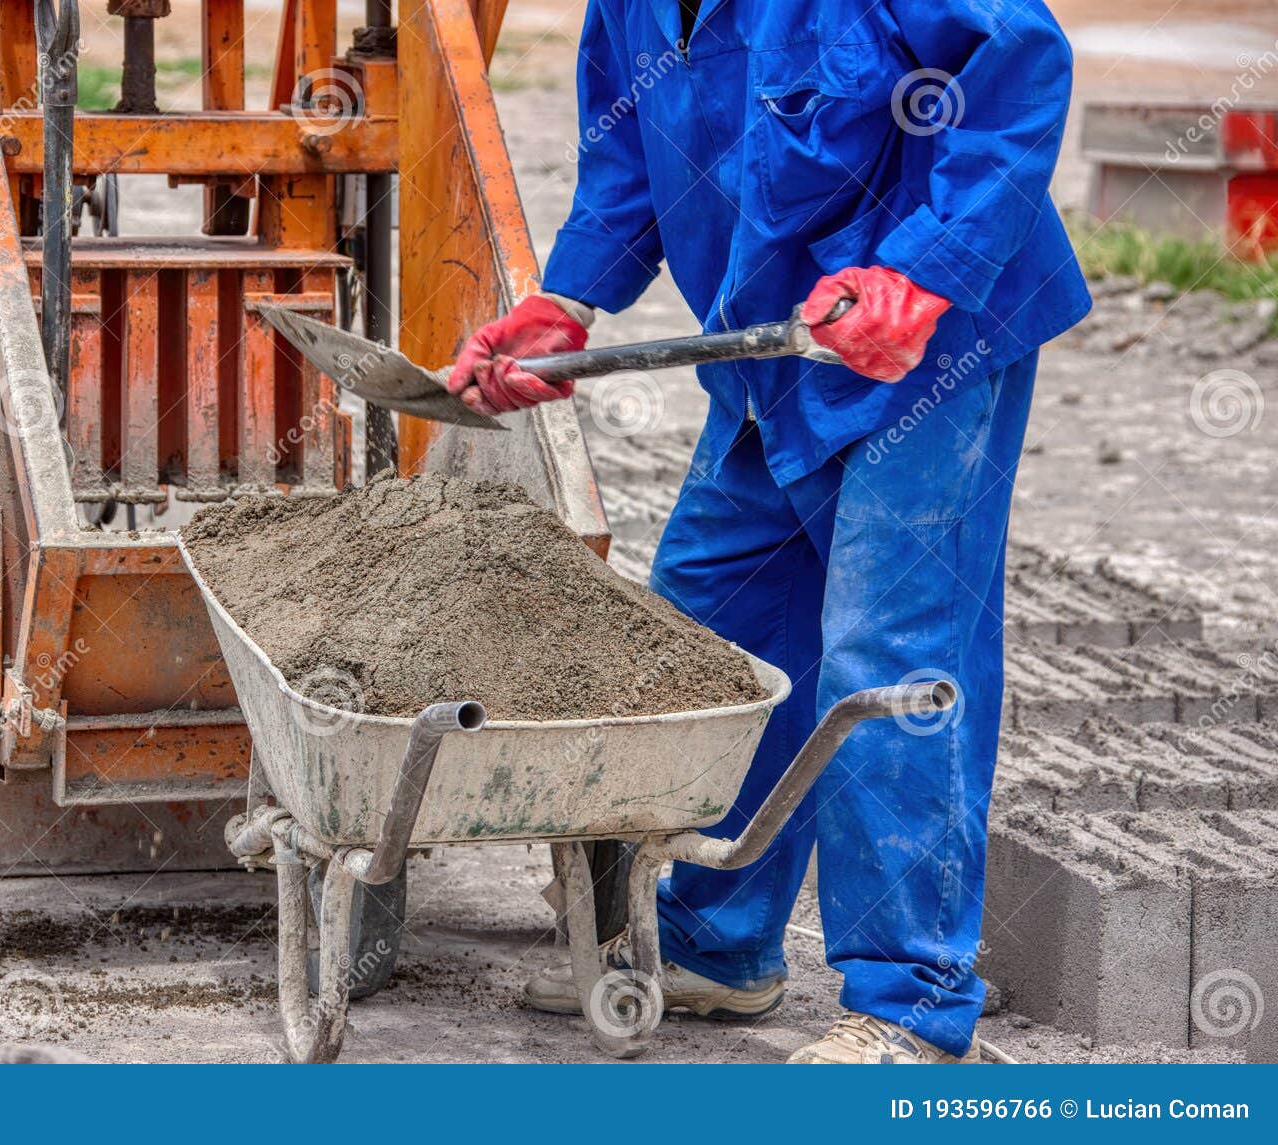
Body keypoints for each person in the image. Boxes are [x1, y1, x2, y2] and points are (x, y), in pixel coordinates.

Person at [446, 0, 1091, 1063]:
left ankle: (911, 999)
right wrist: (569, 296)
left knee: (886, 650)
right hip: (771, 349)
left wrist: (923, 269)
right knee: (710, 627)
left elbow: (1022, 62)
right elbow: (627, 145)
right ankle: (717, 941)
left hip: (924, 352)